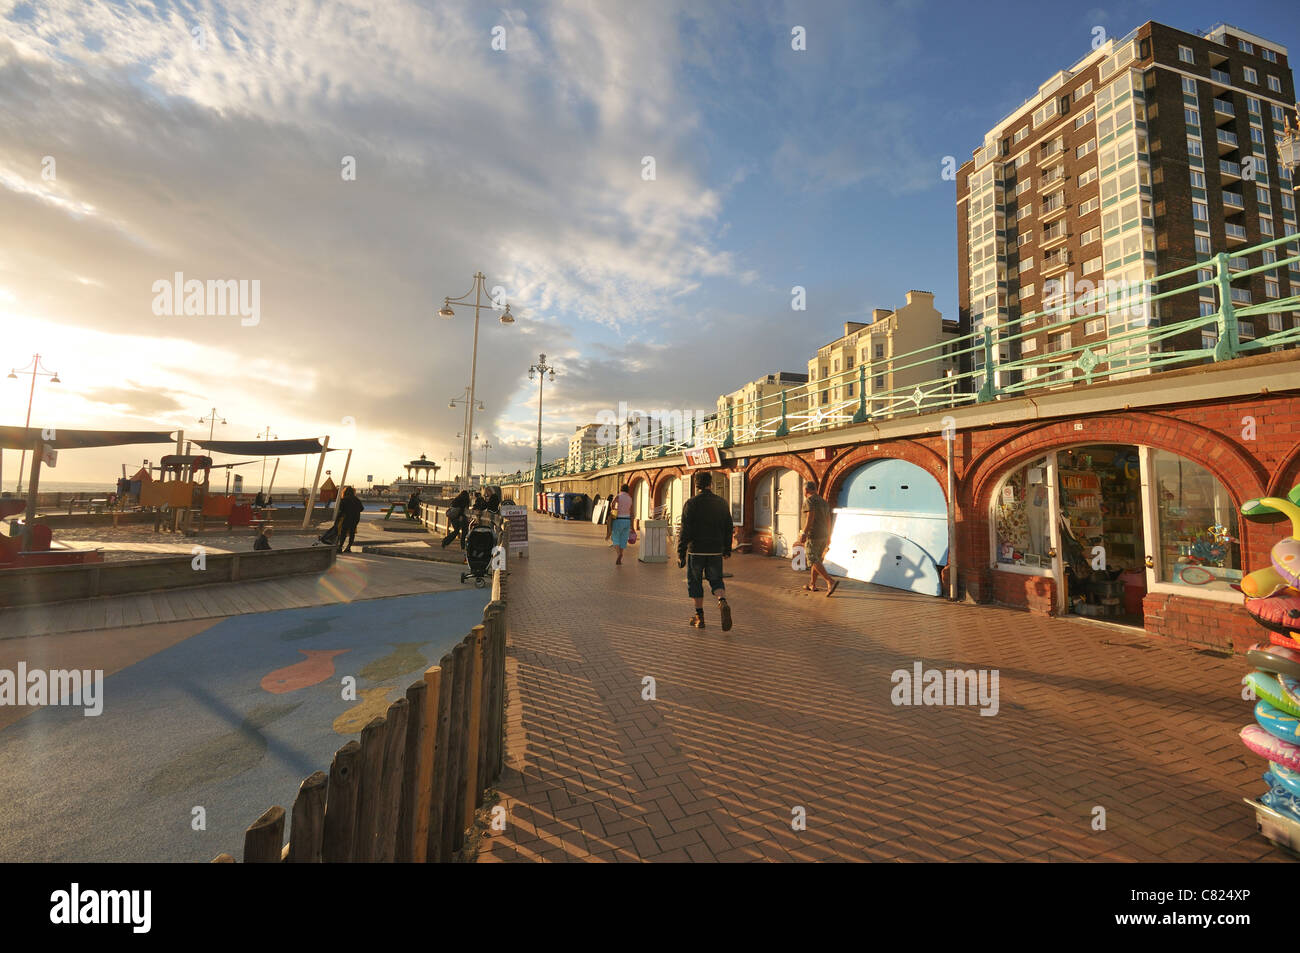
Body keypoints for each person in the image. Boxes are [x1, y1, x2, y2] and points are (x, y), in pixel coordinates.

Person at [677, 472, 734, 630]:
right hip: (715, 550)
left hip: (696, 551)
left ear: (696, 485)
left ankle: (699, 617)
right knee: (716, 580)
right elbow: (729, 527)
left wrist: (680, 552)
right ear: (711, 484)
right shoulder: (721, 502)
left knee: (695, 583)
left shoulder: (691, 503)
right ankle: (722, 601)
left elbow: (685, 530)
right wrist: (727, 548)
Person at [797, 481, 838, 596]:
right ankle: (812, 584)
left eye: (803, 490)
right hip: (823, 535)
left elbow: (810, 517)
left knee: (812, 559)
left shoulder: (809, 501)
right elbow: (829, 519)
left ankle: (830, 581)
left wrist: (804, 533)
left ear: (806, 490)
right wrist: (829, 535)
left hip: (813, 535)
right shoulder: (823, 502)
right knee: (817, 560)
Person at [335, 485, 364, 553]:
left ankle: (340, 547)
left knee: (343, 532)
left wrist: (337, 519)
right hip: (356, 518)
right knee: (352, 532)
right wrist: (355, 511)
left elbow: (341, 511)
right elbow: (362, 508)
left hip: (347, 518)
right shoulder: (357, 499)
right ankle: (348, 547)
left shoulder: (344, 500)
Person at [610, 483, 634, 565]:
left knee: (615, 538)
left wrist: (614, 507)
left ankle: (618, 554)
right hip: (627, 520)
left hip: (618, 520)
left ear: (621, 489)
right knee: (623, 539)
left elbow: (612, 505)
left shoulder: (618, 496)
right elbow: (631, 512)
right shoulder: (630, 498)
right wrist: (632, 525)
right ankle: (621, 555)